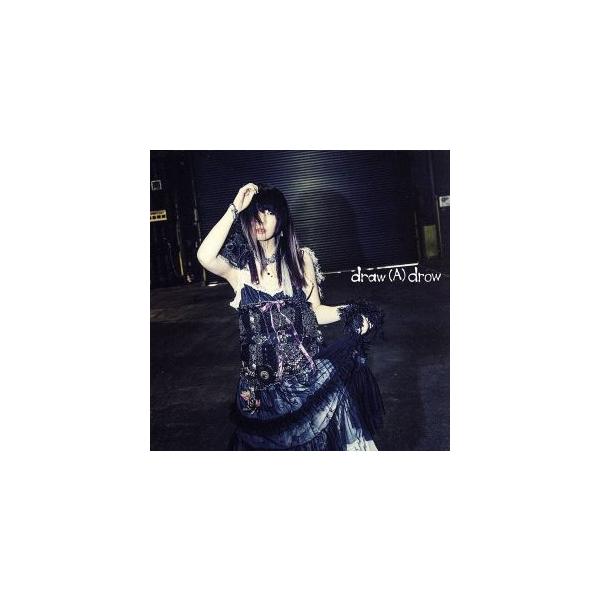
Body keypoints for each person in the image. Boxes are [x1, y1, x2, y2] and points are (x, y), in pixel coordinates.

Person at [197, 182, 386, 450]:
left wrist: (351, 312)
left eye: (269, 212)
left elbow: (315, 312)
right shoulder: (239, 268)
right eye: (255, 213)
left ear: (282, 219)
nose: (260, 220)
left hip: (305, 383)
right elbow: (204, 256)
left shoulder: (300, 260)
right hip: (259, 394)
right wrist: (235, 208)